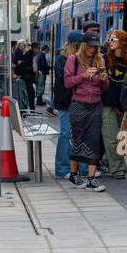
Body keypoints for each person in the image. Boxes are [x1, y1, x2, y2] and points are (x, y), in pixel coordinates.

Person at [64, 31, 109, 191]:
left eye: (95, 46)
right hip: (78, 105)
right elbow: (68, 82)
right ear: (84, 45)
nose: (93, 49)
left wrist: (104, 80)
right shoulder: (73, 59)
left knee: (94, 140)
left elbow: (105, 87)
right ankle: (74, 174)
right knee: (78, 140)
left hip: (96, 105)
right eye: (90, 46)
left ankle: (91, 179)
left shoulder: (100, 60)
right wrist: (83, 75)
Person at [99, 29, 127, 180]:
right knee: (111, 137)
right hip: (107, 104)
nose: (110, 42)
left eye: (114, 39)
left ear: (123, 42)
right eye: (110, 39)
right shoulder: (104, 59)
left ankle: (107, 160)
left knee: (123, 137)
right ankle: (118, 169)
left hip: (123, 105)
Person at [54, 32, 83, 177]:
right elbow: (65, 81)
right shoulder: (62, 59)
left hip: (78, 101)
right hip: (66, 102)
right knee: (66, 134)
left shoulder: (78, 58)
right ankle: (62, 169)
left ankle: (82, 169)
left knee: (80, 134)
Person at [16, 42, 38, 111]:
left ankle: (31, 109)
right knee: (31, 93)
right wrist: (32, 70)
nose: (39, 50)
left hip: (28, 77)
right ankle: (32, 109)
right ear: (34, 48)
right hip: (27, 77)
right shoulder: (29, 55)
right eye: (38, 48)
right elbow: (23, 65)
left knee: (30, 93)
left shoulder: (32, 54)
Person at [35, 44, 51, 112]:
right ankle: (39, 100)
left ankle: (40, 100)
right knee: (41, 86)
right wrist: (48, 67)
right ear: (46, 49)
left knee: (40, 86)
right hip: (42, 73)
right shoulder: (42, 55)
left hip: (41, 72)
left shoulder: (41, 55)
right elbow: (42, 64)